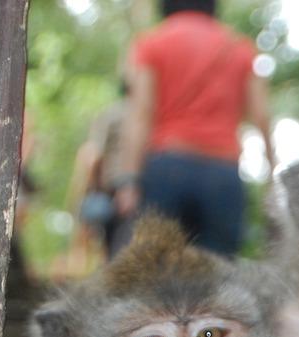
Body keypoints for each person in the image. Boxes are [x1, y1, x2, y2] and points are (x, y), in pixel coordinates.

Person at [115, 0, 275, 255]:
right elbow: (261, 115)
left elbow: (141, 113)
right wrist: (271, 173)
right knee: (217, 274)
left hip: (167, 166)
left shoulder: (152, 43)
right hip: (223, 172)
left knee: (153, 270)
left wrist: (128, 179)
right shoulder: (240, 47)